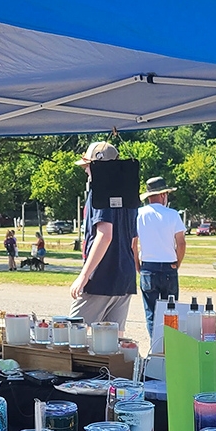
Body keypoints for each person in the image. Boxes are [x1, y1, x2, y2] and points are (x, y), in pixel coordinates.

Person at [69, 141, 137, 333]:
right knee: (113, 342)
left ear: (98, 166)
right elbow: (133, 240)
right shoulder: (130, 195)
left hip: (101, 276)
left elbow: (105, 235)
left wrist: (84, 276)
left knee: (73, 333)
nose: (86, 171)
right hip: (125, 276)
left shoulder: (100, 192)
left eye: (88, 166)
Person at [133, 176, 186, 338]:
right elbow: (181, 243)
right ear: (163, 195)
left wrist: (138, 266)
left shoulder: (139, 214)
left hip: (148, 266)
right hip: (169, 266)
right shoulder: (172, 214)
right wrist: (177, 262)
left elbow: (133, 244)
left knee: (152, 314)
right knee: (170, 312)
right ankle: (170, 346)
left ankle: (155, 348)